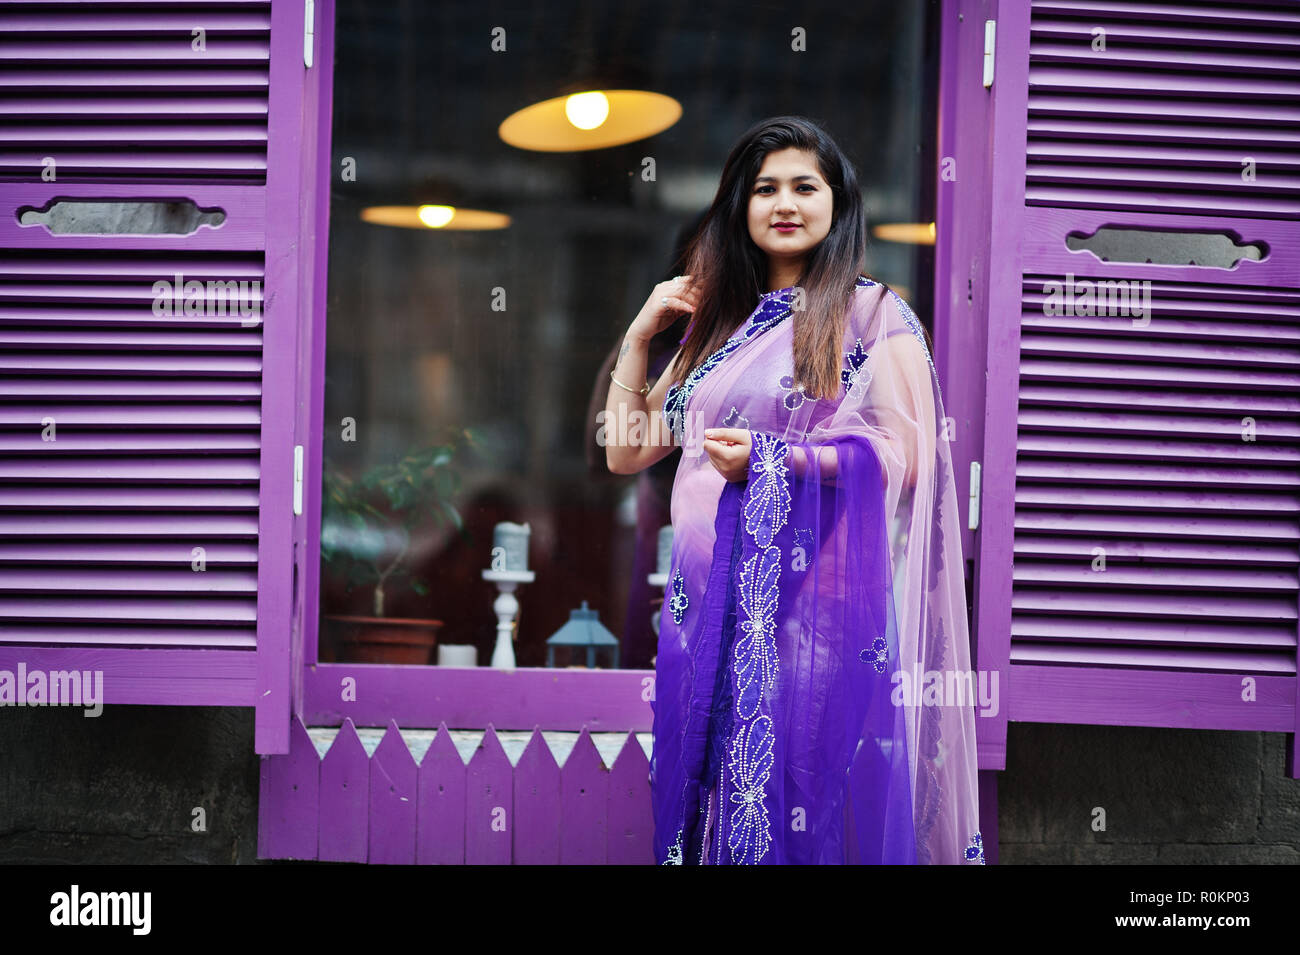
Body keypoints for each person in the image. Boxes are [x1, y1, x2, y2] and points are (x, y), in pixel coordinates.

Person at [603, 116, 982, 864]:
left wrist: (779, 461)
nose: (785, 201)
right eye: (764, 187)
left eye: (805, 186)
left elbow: (903, 457)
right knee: (714, 809)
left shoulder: (874, 316)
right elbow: (626, 449)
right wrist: (641, 336)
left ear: (836, 203)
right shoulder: (720, 331)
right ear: (739, 207)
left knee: (796, 815)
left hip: (810, 622)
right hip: (705, 616)